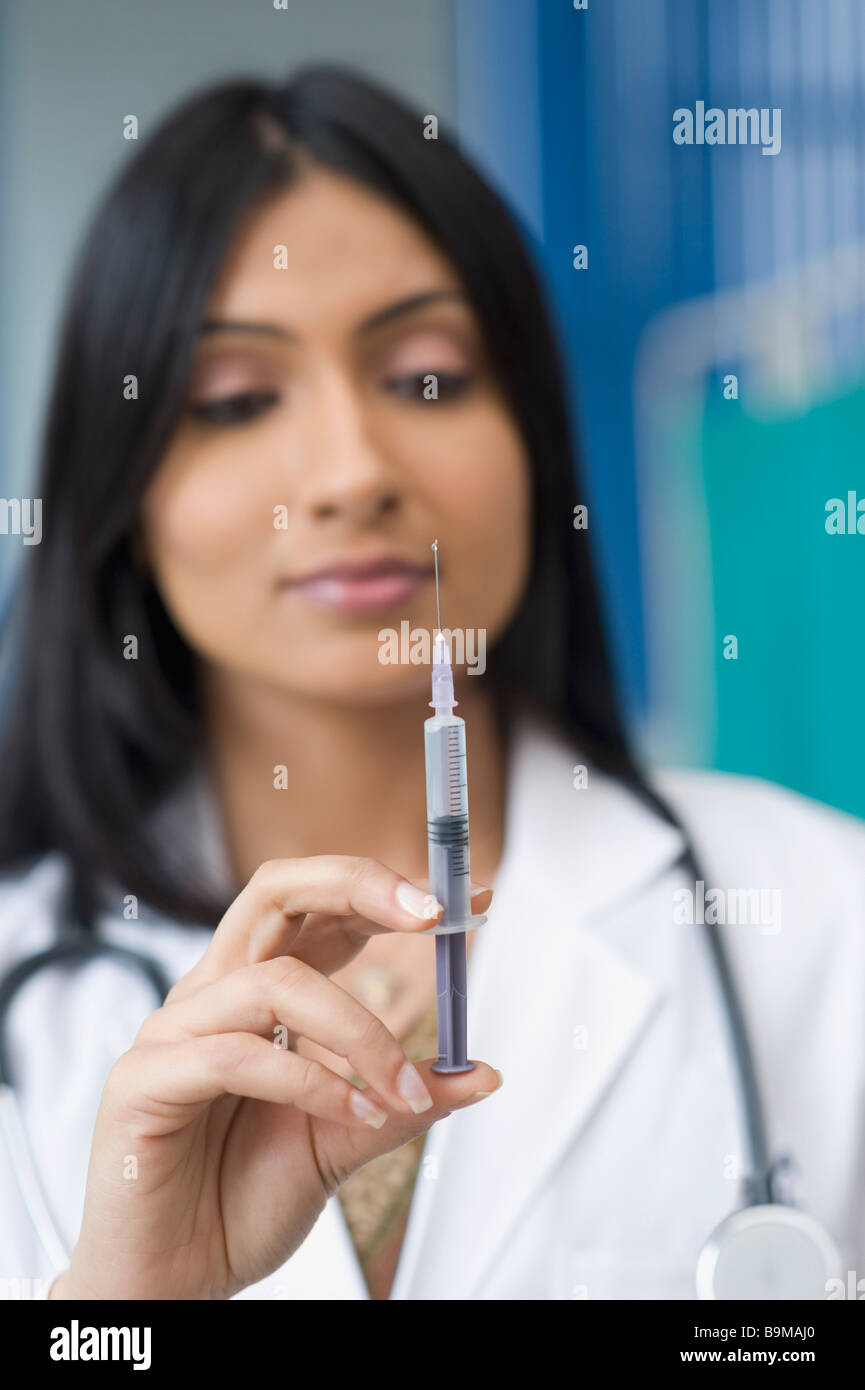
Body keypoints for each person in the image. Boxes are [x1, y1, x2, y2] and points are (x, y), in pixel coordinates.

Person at [0, 66, 863, 1303]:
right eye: (237, 400)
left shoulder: (826, 926)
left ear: (533, 446)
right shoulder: (24, 988)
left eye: (426, 378)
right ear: (123, 496)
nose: (352, 471)